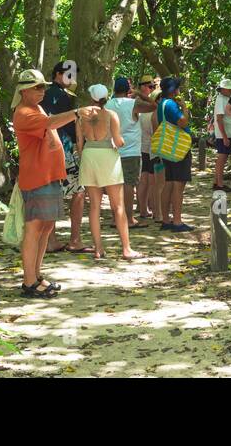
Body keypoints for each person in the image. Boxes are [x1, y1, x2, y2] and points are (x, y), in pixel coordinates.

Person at [11, 68, 94, 297]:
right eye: (37, 87)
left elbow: (50, 125)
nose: (42, 90)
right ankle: (29, 282)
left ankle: (36, 276)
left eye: (43, 86)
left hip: (49, 177)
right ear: (24, 90)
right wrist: (76, 112)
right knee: (34, 228)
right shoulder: (25, 112)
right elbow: (50, 122)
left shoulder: (35, 107)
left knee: (46, 228)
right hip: (38, 178)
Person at [76, 84, 142, 260]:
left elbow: (79, 144)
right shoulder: (111, 115)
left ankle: (98, 249)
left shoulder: (81, 116)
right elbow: (118, 140)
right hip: (108, 156)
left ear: (92, 98)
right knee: (118, 206)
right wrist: (120, 144)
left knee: (94, 206)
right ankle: (126, 248)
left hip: (89, 155)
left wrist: (87, 155)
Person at [42, 61, 89, 254]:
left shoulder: (43, 94)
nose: (73, 79)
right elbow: (69, 127)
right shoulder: (62, 96)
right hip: (65, 150)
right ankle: (75, 239)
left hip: (45, 150)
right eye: (70, 75)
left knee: (52, 193)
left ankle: (51, 239)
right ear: (58, 74)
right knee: (78, 192)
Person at [107, 77, 151, 229]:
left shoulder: (108, 104)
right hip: (131, 150)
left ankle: (115, 218)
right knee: (129, 184)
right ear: (128, 90)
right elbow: (154, 105)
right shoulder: (133, 104)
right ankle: (129, 218)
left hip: (112, 149)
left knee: (114, 184)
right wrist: (140, 93)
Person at [156, 78, 193, 231]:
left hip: (167, 148)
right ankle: (177, 221)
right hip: (178, 149)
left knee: (169, 182)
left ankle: (166, 220)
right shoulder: (171, 104)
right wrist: (184, 107)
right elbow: (182, 122)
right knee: (178, 184)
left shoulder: (161, 105)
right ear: (173, 90)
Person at [134, 74, 160, 223]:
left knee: (144, 177)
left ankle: (143, 207)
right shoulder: (145, 107)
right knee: (150, 178)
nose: (152, 89)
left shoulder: (139, 105)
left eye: (153, 87)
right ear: (143, 86)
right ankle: (150, 208)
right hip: (148, 146)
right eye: (150, 86)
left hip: (142, 146)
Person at [211, 77, 231, 191]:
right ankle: (220, 184)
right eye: (229, 89)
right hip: (224, 134)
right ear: (223, 89)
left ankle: (217, 182)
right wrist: (225, 137)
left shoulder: (226, 99)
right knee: (222, 158)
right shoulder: (220, 100)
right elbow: (219, 119)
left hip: (229, 132)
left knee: (223, 157)